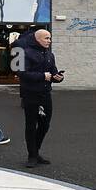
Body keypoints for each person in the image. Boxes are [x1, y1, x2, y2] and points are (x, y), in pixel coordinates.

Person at [12, 28, 63, 168]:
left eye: (50, 38)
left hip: (45, 94)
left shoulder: (49, 55)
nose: (49, 41)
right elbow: (21, 73)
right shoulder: (25, 53)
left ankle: (36, 151)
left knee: (45, 125)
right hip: (30, 94)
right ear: (38, 39)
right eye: (46, 38)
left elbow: (53, 72)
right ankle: (32, 155)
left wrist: (58, 77)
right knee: (31, 125)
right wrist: (42, 76)